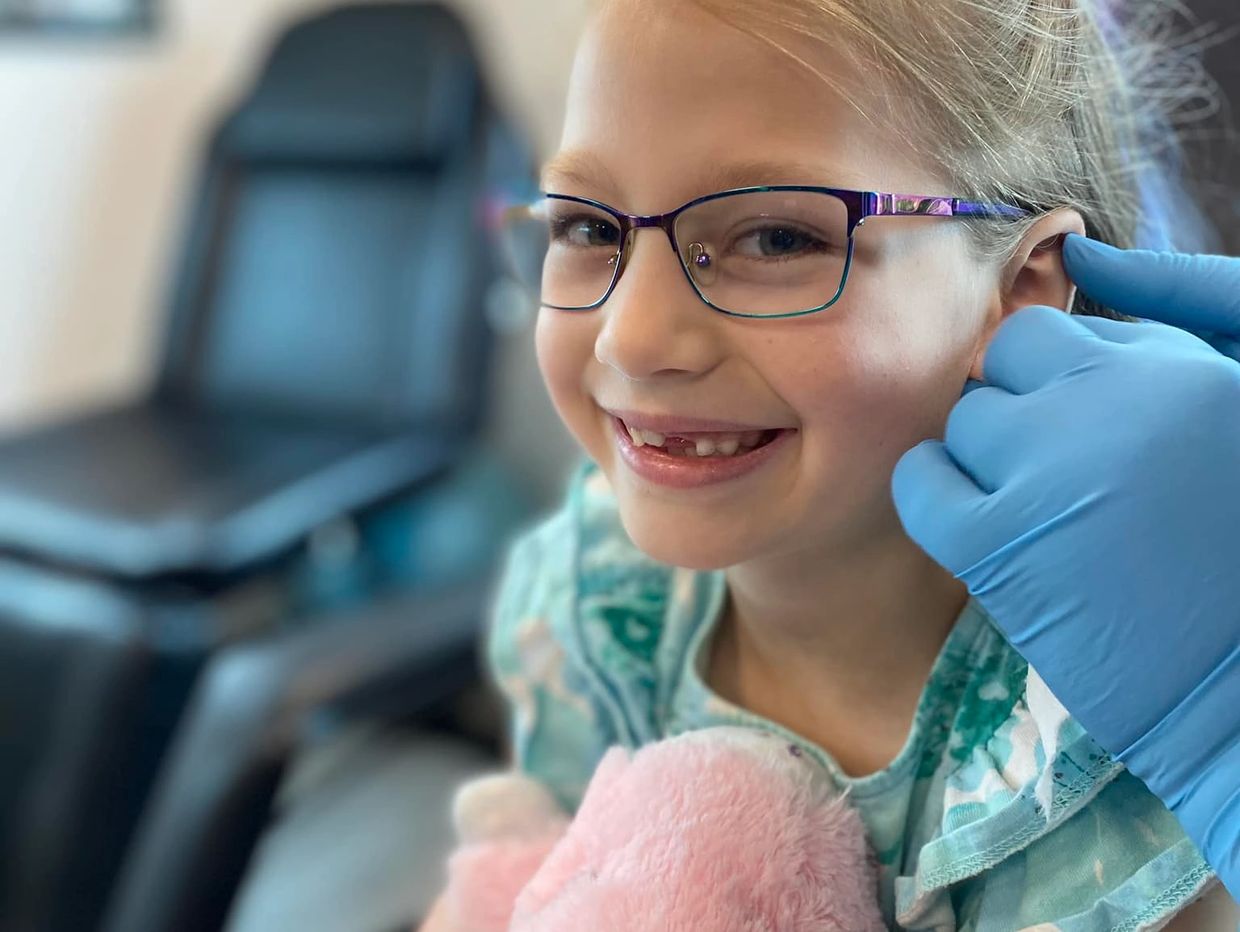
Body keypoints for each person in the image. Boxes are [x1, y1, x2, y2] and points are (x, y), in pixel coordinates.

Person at [420, 0, 1238, 928]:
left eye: (775, 237)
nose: (632, 338)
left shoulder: (1126, 754)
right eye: (588, 229)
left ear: (1019, 290)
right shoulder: (594, 604)